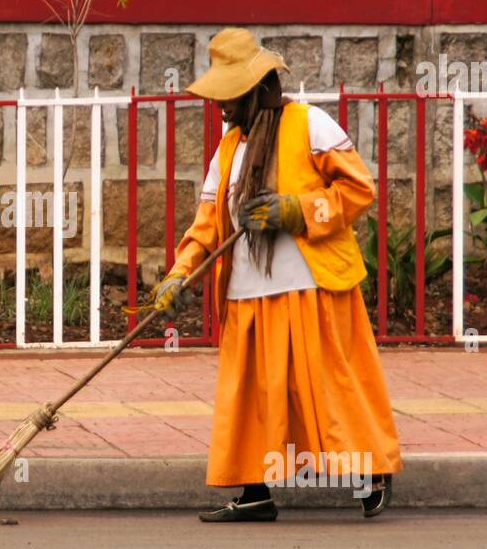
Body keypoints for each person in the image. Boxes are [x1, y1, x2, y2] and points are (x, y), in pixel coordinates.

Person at [151, 29, 401, 521]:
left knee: (332, 387)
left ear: (261, 89)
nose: (222, 107)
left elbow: (358, 190)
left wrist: (296, 210)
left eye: (230, 96)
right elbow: (207, 226)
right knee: (251, 398)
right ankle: (253, 493)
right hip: (248, 293)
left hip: (311, 286)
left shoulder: (311, 124)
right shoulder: (227, 151)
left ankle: (371, 474)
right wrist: (178, 275)